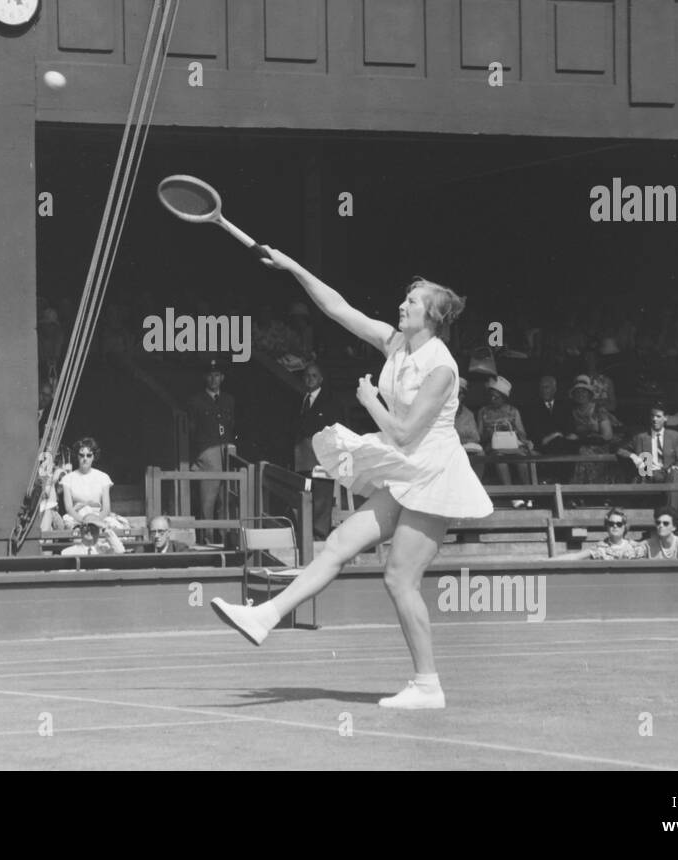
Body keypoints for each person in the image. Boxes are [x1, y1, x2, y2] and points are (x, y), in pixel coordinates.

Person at [210, 262, 491, 712]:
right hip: (406, 472)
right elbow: (337, 308)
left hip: (435, 474)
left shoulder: (442, 369)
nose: (402, 305)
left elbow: (402, 432)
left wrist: (370, 401)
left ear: (433, 317)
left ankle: (428, 685)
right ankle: (265, 616)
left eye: (413, 302)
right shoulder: (395, 342)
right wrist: (290, 266)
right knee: (339, 542)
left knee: (400, 577)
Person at [187, 361, 238, 547]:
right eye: (210, 375)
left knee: (226, 498)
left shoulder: (229, 400)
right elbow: (192, 430)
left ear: (222, 378)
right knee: (208, 499)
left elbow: (232, 425)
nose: (213, 379)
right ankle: (207, 540)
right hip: (208, 453)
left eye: (217, 375)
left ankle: (226, 539)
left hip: (228, 450)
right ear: (204, 378)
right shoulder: (196, 401)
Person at [294, 361, 344, 541]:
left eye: (314, 376)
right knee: (306, 494)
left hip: (321, 454)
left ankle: (319, 533)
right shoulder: (302, 398)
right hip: (303, 455)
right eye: (307, 375)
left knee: (322, 495)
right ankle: (307, 532)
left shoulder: (330, 401)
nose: (310, 379)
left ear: (321, 379)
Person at [618, 403, 678, 515]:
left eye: (658, 416)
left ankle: (673, 517)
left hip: (667, 475)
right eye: (652, 416)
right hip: (647, 475)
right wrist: (633, 456)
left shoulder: (674, 436)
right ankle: (672, 519)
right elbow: (620, 449)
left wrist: (675, 468)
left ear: (666, 418)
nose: (655, 419)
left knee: (675, 477)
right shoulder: (640, 436)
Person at [60, 437, 130, 543]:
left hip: (99, 517)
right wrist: (84, 521)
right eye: (81, 455)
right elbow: (69, 508)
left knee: (116, 532)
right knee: (77, 533)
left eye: (89, 455)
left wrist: (95, 521)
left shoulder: (103, 477)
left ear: (94, 456)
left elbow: (106, 508)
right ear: (77, 456)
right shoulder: (68, 479)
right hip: (77, 518)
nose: (85, 458)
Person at [553, 508, 641, 560]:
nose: (615, 526)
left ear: (625, 526)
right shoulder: (599, 548)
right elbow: (574, 557)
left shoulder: (636, 547)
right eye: (611, 523)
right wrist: (546, 560)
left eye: (619, 524)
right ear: (607, 526)